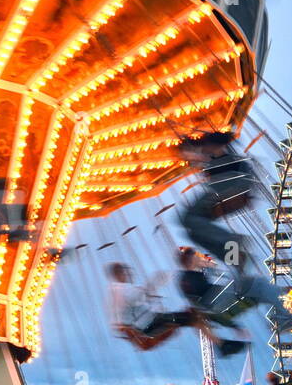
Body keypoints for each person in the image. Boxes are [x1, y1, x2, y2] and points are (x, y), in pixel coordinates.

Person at [177, 130, 261, 272]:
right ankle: (236, 258)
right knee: (194, 233)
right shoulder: (215, 160)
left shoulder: (223, 158)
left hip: (231, 187)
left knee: (187, 218)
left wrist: (190, 149)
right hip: (229, 191)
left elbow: (203, 156)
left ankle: (231, 240)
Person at [106, 262, 198, 350]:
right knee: (190, 317)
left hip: (147, 325)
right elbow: (136, 297)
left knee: (185, 318)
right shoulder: (120, 288)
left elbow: (137, 303)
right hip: (149, 324)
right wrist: (151, 286)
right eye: (125, 272)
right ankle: (200, 322)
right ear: (119, 273)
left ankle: (197, 321)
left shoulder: (116, 292)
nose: (127, 275)